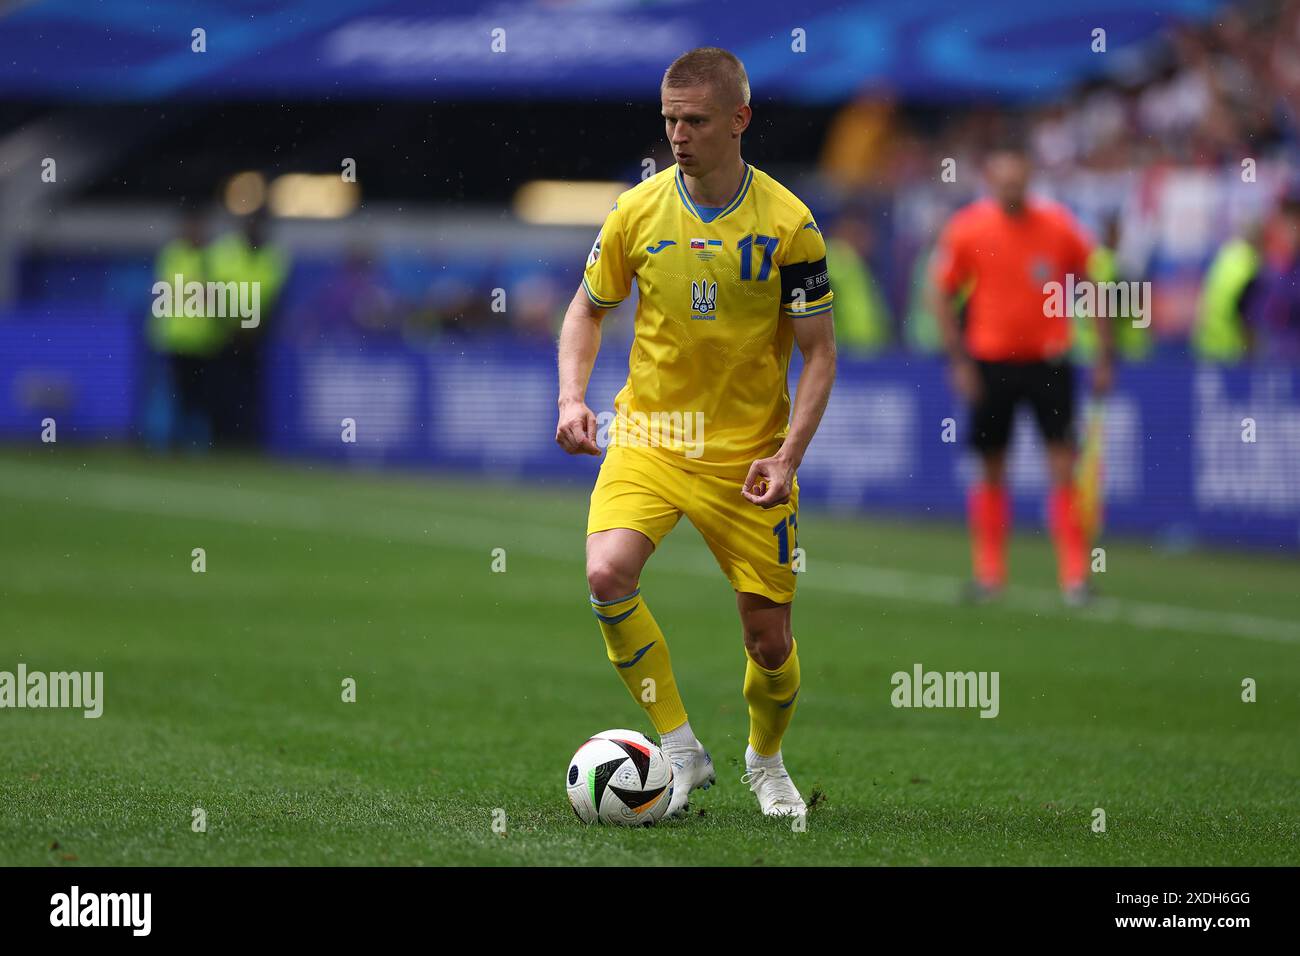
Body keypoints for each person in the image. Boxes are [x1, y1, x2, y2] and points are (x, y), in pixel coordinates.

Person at [554, 47, 837, 819]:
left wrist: (787, 457)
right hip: (648, 437)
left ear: (739, 120)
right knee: (607, 574)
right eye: (669, 119)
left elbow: (819, 354)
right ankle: (678, 748)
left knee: (769, 643)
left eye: (696, 120)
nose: (678, 135)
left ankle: (766, 759)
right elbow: (587, 309)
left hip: (747, 463)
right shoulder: (635, 211)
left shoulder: (790, 224)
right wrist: (573, 397)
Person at [931, 144, 1115, 606]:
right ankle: (989, 574)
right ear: (991, 179)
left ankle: (1076, 578)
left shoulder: (1058, 225)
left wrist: (1105, 355)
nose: (1012, 188)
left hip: (1049, 361)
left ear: (1029, 176)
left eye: (1019, 180)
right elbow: (940, 293)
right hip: (990, 362)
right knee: (992, 466)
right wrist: (957, 361)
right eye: (1004, 181)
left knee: (1062, 465)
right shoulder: (969, 228)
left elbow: (1094, 281)